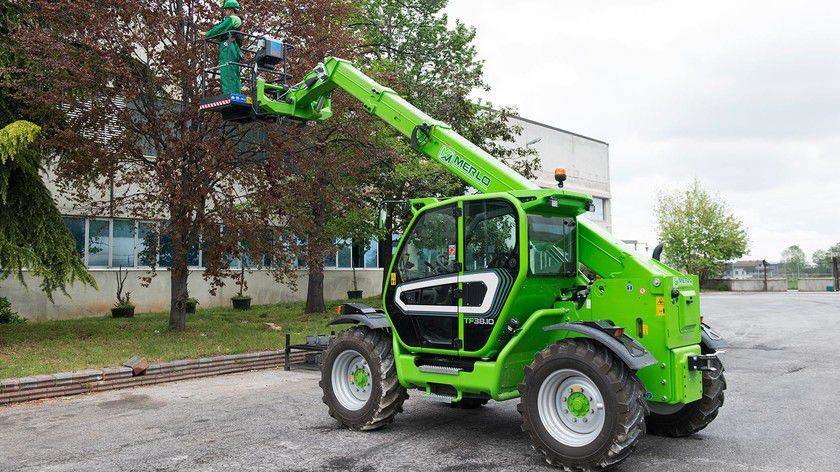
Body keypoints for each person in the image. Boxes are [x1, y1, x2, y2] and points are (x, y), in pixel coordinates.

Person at [206, 0, 243, 94]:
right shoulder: (237, 19)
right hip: (233, 46)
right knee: (234, 71)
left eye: (226, 10)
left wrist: (207, 34)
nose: (225, 12)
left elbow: (219, 29)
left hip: (227, 47)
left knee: (227, 71)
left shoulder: (231, 18)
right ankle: (236, 93)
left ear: (230, 10)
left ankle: (229, 93)